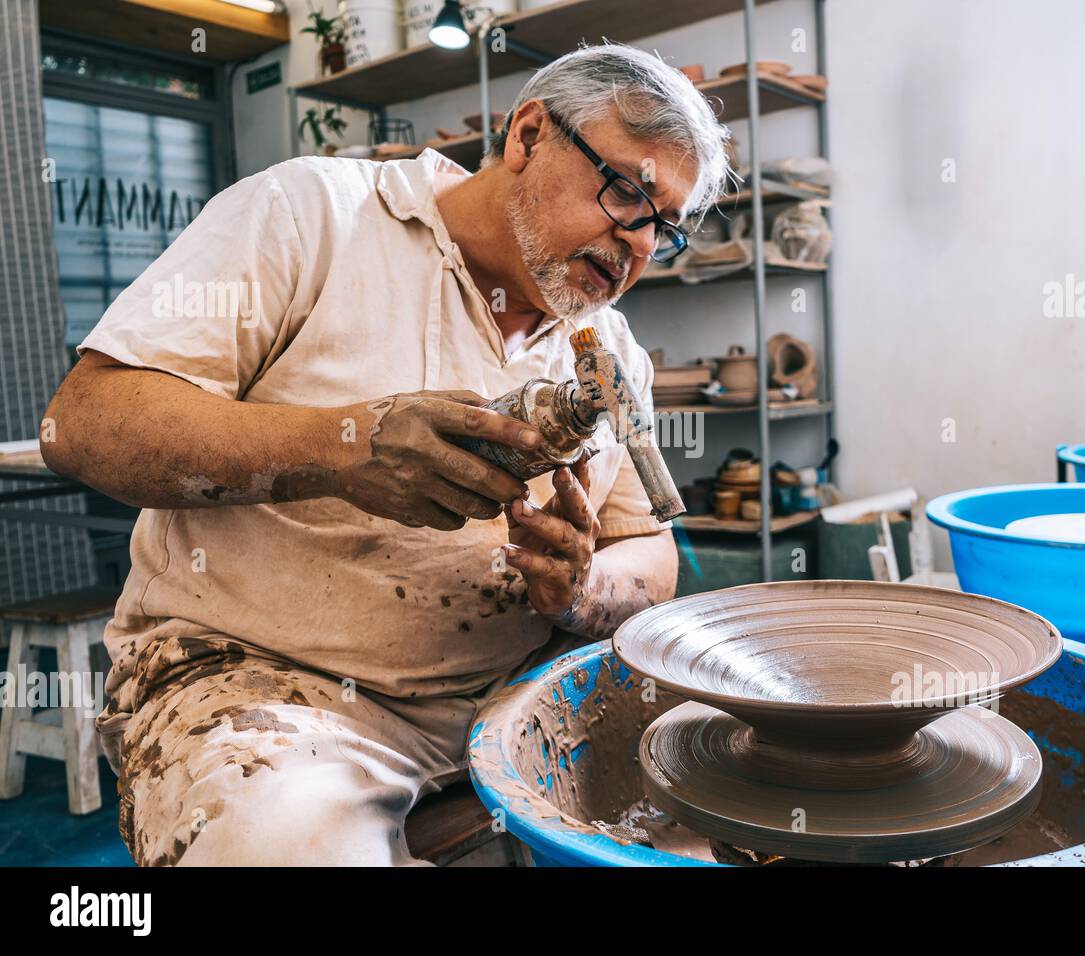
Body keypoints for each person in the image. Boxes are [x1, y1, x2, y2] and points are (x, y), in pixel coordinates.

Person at [40, 42, 733, 865]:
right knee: (281, 844)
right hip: (261, 680)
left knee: (727, 789)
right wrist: (342, 450)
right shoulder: (310, 216)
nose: (638, 242)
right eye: (627, 192)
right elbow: (84, 423)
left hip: (511, 695)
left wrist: (583, 589)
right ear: (528, 135)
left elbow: (649, 549)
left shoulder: (611, 350)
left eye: (664, 226)